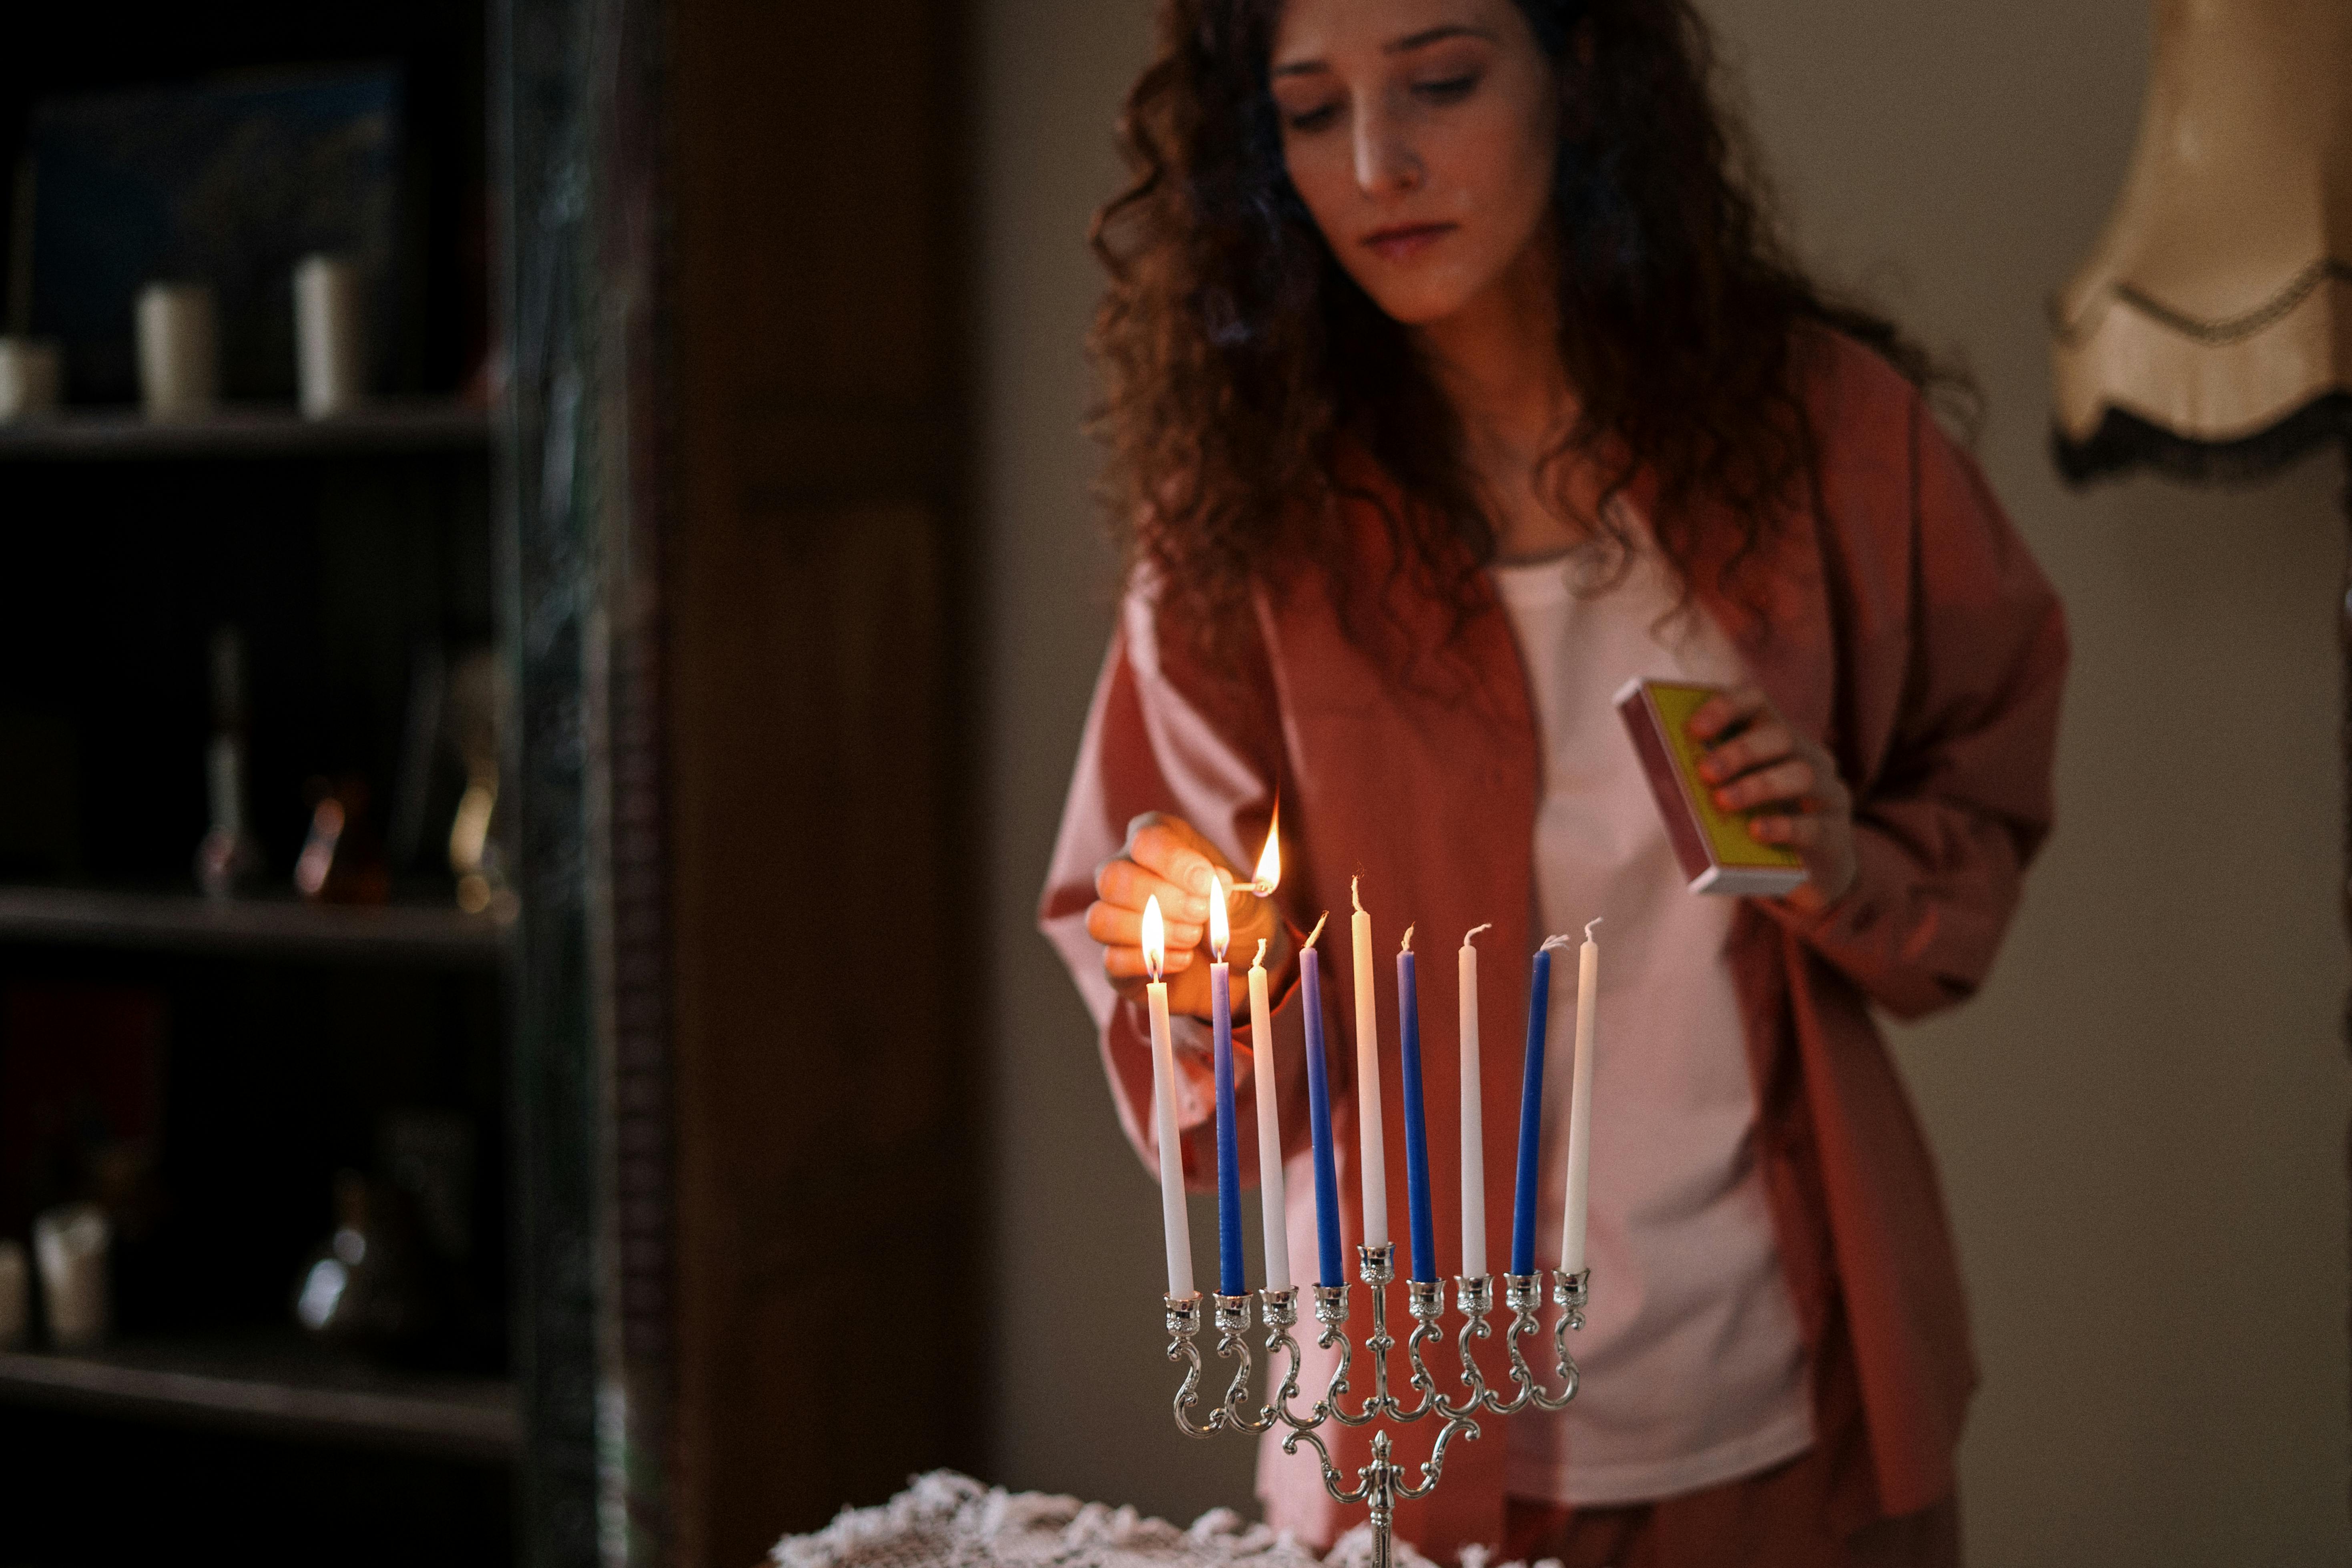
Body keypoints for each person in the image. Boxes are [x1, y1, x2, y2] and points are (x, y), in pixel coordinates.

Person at [1038, 1, 2067, 1563]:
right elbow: (1179, 995)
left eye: (1439, 81)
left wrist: (1842, 856)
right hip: (1401, 1448)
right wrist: (1206, 984)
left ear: (1575, 69)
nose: (1379, 163)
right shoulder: (1238, 518)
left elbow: (1977, 799)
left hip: (1788, 1428)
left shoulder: (1829, 439)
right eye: (1311, 114)